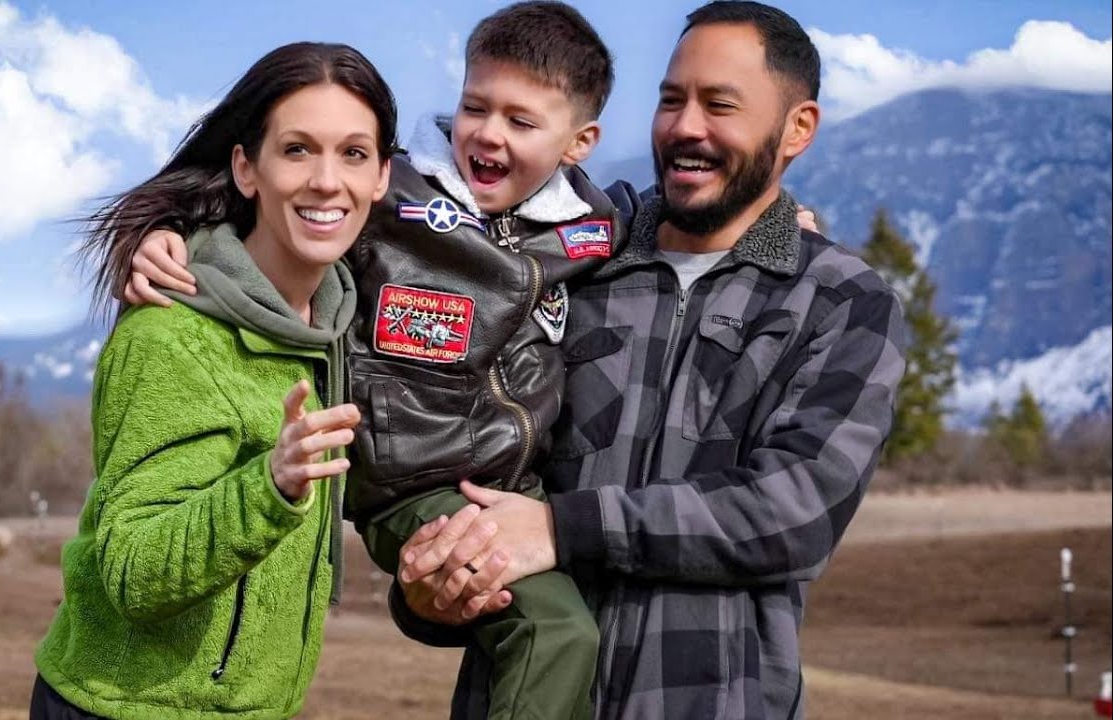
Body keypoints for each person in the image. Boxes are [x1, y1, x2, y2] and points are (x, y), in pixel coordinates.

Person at [388, 2, 909, 718]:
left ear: (798, 129)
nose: (686, 127)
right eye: (672, 100)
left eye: (719, 105)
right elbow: (471, 453)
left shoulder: (842, 303)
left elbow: (792, 512)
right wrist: (432, 589)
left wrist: (561, 529)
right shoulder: (571, 259)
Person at [124, 4, 627, 718]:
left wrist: (776, 217)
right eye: (475, 105)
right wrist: (163, 233)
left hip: (517, 485)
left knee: (600, 614)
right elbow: (273, 204)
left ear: (580, 142)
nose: (486, 133)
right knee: (556, 630)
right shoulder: (393, 192)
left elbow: (684, 219)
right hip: (411, 480)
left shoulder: (594, 226)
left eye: (521, 121)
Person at [30, 42, 396, 720]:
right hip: (124, 708)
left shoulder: (342, 318)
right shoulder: (171, 332)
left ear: (382, 177)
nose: (326, 180)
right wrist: (270, 485)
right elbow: (133, 570)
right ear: (246, 168)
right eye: (296, 150)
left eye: (353, 153)